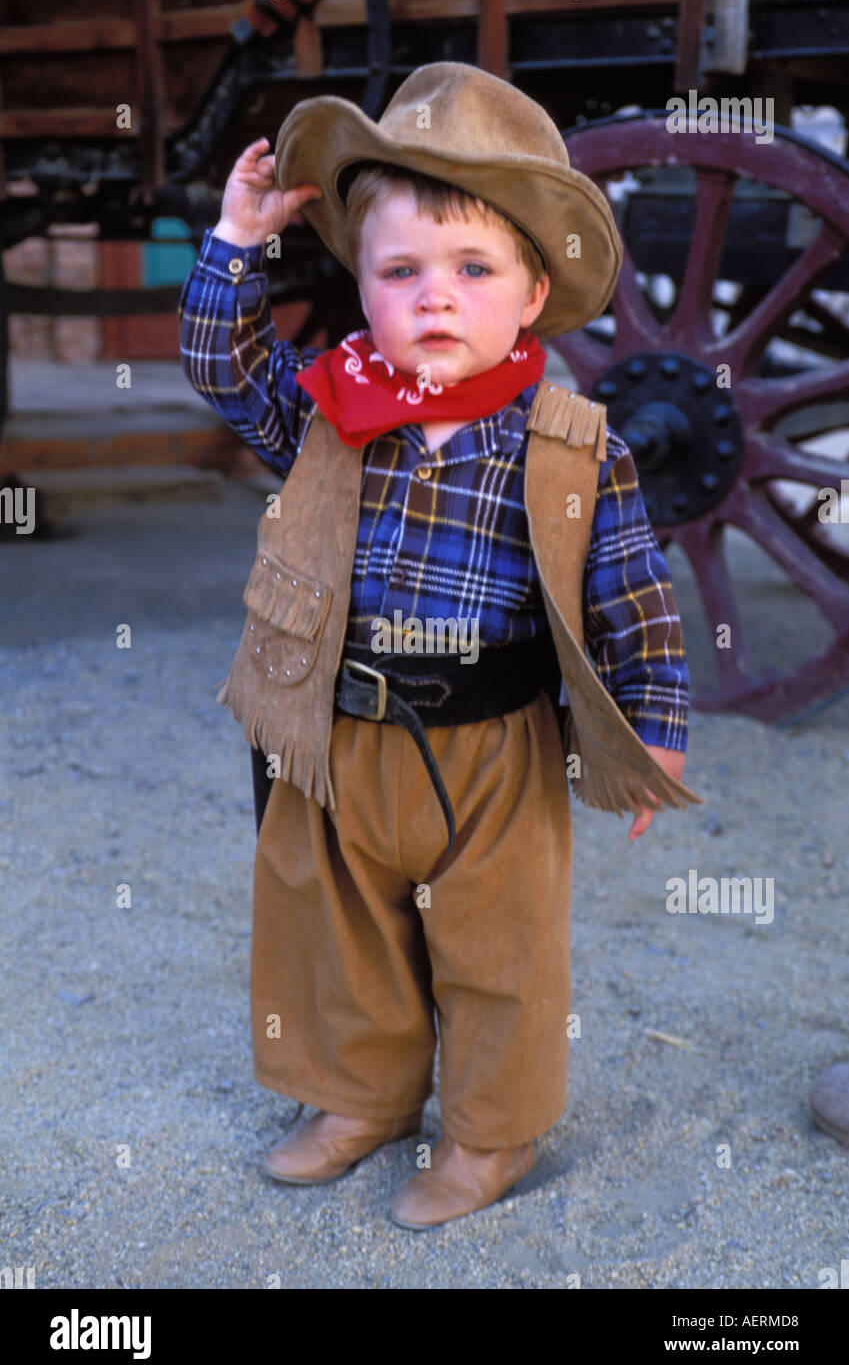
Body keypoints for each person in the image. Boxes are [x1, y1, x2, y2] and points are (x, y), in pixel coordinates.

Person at [178, 62, 701, 1230]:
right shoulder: (327, 409)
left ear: (530, 291)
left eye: (473, 270)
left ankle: (486, 1134)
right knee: (339, 924)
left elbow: (635, 592)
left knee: (498, 949)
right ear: (361, 283)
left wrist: (655, 726)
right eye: (400, 270)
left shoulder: (568, 441)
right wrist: (234, 246)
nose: (435, 298)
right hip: (344, 732)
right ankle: (359, 1095)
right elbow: (225, 369)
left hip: (495, 749)